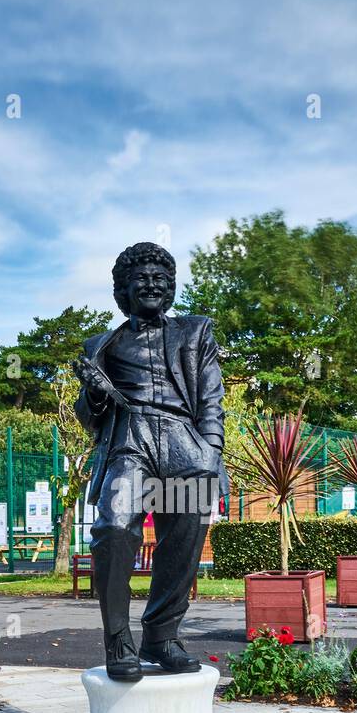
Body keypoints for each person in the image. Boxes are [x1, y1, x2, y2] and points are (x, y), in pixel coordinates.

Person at [74, 242, 228, 682]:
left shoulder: (195, 332)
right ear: (123, 289)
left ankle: (160, 636)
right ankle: (118, 639)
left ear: (172, 286)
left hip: (185, 442)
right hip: (131, 441)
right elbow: (89, 417)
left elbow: (211, 397)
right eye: (140, 278)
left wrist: (210, 452)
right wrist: (95, 395)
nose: (151, 284)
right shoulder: (102, 346)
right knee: (113, 527)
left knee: (183, 541)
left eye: (160, 277)